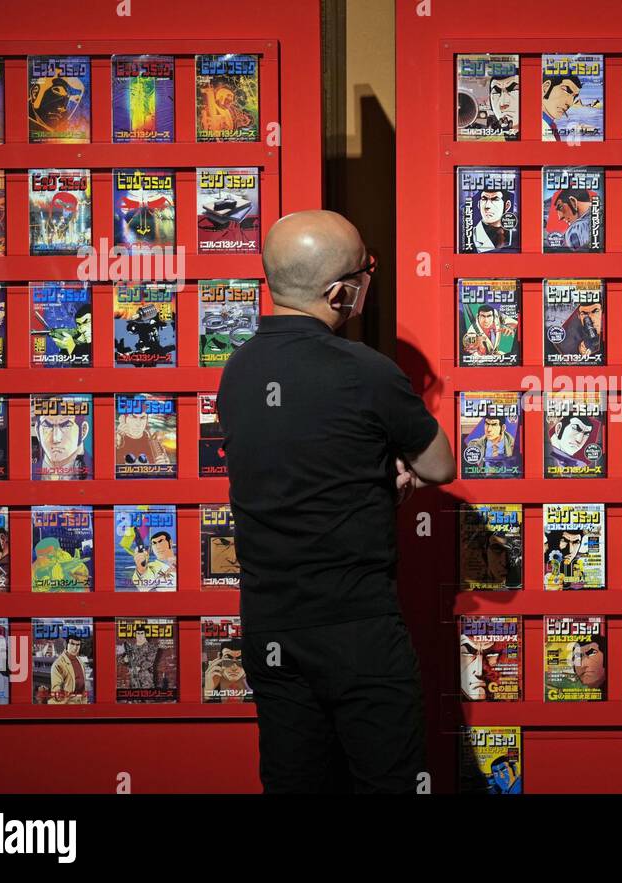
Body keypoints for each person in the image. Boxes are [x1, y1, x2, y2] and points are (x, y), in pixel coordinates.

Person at [217, 210, 454, 793]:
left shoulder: (238, 370)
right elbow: (439, 464)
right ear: (342, 291)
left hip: (270, 623)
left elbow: (291, 467)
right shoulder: (367, 372)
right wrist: (387, 479)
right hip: (357, 626)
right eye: (368, 271)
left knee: (294, 780)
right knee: (391, 780)